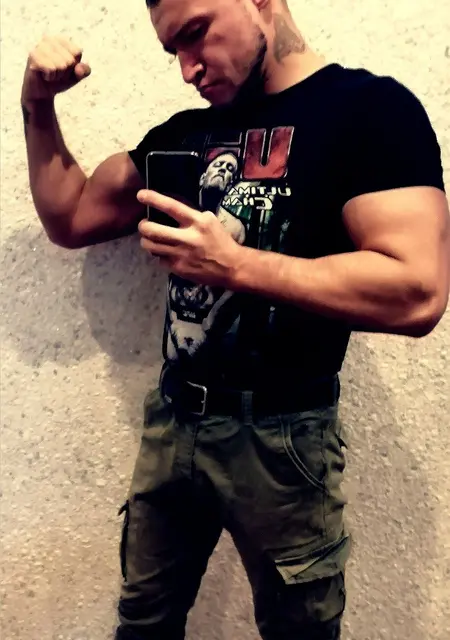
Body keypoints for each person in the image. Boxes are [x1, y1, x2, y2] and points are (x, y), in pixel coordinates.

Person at [21, 0, 449, 638]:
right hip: (174, 422)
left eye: (196, 33)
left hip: (283, 436)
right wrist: (36, 103)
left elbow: (416, 292)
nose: (187, 68)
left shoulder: (370, 110)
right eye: (173, 50)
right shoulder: (183, 134)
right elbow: (71, 216)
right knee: (142, 625)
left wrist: (237, 265)